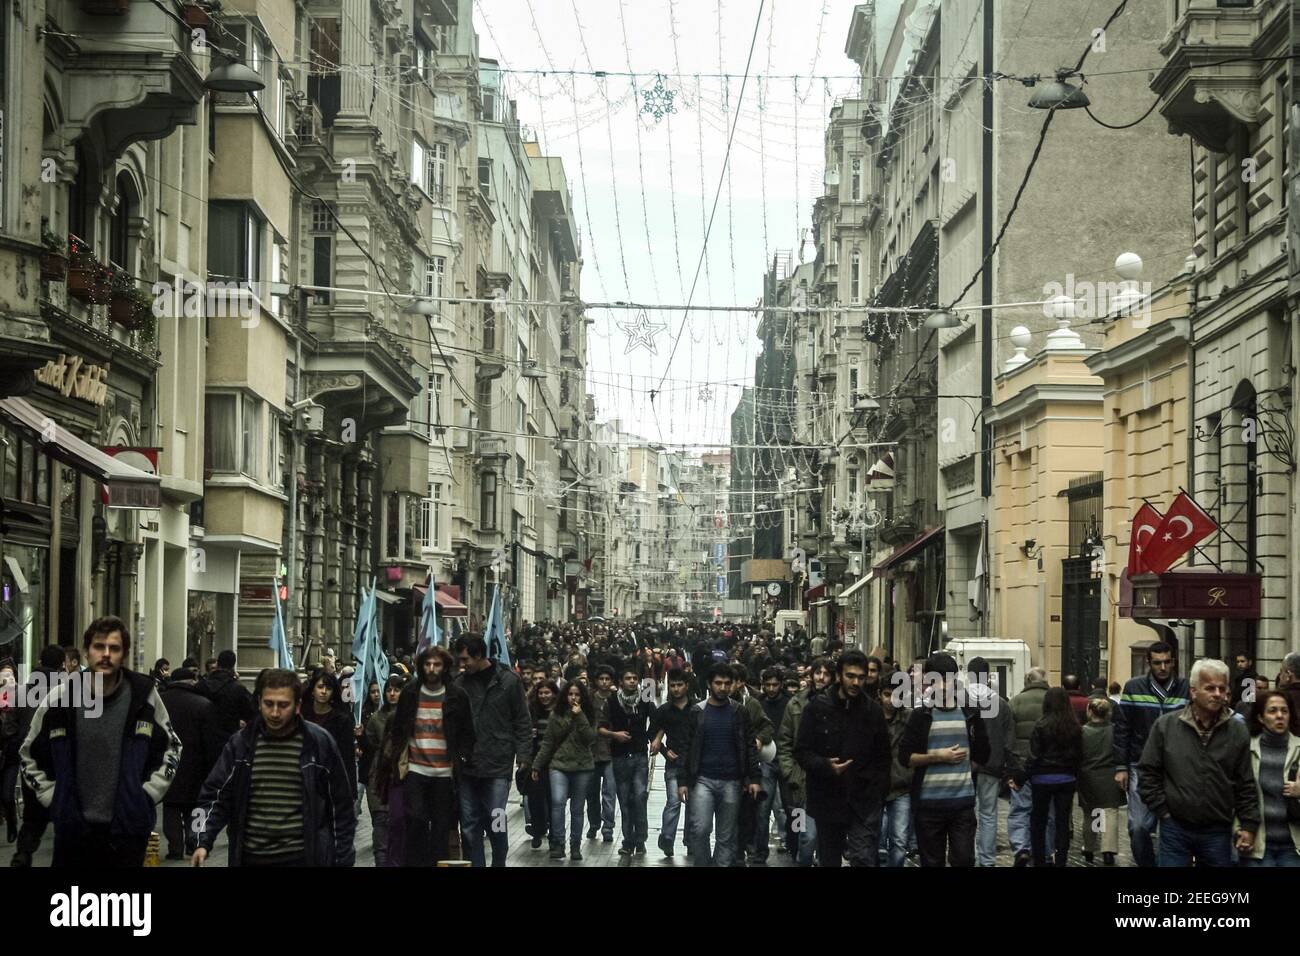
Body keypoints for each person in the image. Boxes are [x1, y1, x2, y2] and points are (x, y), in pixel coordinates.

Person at [20, 617, 182, 867]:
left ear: (124, 654)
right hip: (73, 835)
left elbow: (173, 746)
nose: (106, 654)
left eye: (114, 648)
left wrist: (147, 795)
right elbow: (28, 752)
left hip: (126, 834)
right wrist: (53, 797)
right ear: (86, 652)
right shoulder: (62, 698)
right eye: (98, 646)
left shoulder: (143, 696)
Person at [192, 668, 356, 867]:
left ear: (297, 706)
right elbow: (212, 796)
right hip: (251, 857)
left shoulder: (319, 744)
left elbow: (341, 808)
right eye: (269, 704)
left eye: (283, 705)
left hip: (302, 858)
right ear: (259, 702)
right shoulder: (241, 744)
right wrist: (202, 841)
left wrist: (342, 858)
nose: (275, 712)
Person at [1137, 658, 1257, 867]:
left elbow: (1245, 781)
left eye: (1222, 688)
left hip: (1217, 828)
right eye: (1210, 688)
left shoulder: (1237, 730)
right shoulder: (1167, 726)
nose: (1217, 694)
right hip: (1176, 826)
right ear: (1194, 692)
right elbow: (1148, 771)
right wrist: (1163, 810)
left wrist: (1248, 824)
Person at [375, 646, 473, 867]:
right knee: (415, 821)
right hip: (416, 769)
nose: (431, 669)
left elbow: (468, 732)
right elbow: (398, 727)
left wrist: (462, 758)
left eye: (436, 664)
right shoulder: (410, 693)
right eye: (427, 664)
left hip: (444, 772)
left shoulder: (457, 695)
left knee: (441, 826)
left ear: (445, 667)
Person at [794, 650, 891, 867]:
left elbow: (884, 756)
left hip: (865, 801)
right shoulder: (817, 708)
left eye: (861, 677)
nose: (856, 682)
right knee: (829, 859)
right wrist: (825, 766)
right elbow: (801, 751)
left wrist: (879, 794)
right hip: (827, 799)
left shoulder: (872, 711)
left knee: (863, 858)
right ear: (839, 675)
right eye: (850, 676)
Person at [897, 653, 991, 868]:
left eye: (947, 679)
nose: (943, 685)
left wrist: (967, 771)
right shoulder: (921, 716)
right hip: (929, 804)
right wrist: (937, 757)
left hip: (962, 804)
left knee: (964, 858)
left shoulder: (970, 713)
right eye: (937, 680)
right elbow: (905, 757)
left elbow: (983, 754)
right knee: (932, 861)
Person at [454, 634, 532, 867]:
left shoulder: (508, 681)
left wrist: (524, 757)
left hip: (497, 765)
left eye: (465, 659)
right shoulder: (458, 684)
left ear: (479, 655)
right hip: (467, 766)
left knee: (496, 820)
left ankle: (499, 861)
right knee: (468, 823)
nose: (462, 664)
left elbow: (522, 720)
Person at [1114, 641, 1190, 867]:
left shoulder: (1186, 688)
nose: (1163, 667)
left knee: (1173, 826)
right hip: (1141, 765)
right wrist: (1120, 767)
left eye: (1167, 662)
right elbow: (1122, 729)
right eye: (1157, 663)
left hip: (1177, 769)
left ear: (1173, 662)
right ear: (1149, 663)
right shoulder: (1133, 687)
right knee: (1138, 827)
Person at [679, 663, 761, 867]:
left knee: (727, 835)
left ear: (733, 685)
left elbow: (749, 745)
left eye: (727, 683)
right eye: (718, 683)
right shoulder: (697, 711)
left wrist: (754, 778)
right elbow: (686, 748)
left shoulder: (739, 712)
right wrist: (682, 780)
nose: (722, 688)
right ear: (709, 684)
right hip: (703, 780)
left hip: (731, 781)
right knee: (700, 829)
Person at [159, 667, 226, 860]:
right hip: (196, 765)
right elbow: (211, 740)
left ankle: (175, 848)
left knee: (170, 807)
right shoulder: (203, 704)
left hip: (169, 762)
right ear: (192, 681)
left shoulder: (162, 701)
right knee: (195, 808)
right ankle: (194, 843)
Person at [8, 644, 66, 866]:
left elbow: (10, 725)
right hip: (60, 757)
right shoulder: (70, 689)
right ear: (62, 664)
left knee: (33, 814)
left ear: (40, 662)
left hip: (30, 756)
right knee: (65, 812)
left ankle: (23, 852)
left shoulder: (23, 690)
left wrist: (16, 744)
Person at [532, 680, 597, 861]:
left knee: (577, 808)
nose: (573, 698)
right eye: (570, 694)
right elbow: (548, 742)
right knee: (558, 801)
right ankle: (558, 843)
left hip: (582, 766)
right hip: (559, 765)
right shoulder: (556, 715)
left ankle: (575, 845)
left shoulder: (589, 715)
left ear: (582, 697)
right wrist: (537, 765)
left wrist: (581, 716)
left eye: (577, 695)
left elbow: (590, 738)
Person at [776, 656, 831, 867]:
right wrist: (790, 772)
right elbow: (785, 741)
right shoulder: (796, 703)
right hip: (801, 782)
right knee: (803, 835)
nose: (821, 678)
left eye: (826, 674)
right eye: (818, 673)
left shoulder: (840, 703)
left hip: (829, 780)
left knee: (825, 838)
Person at [1021, 687, 1083, 867]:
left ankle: (1039, 859)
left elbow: (1033, 756)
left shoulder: (1041, 725)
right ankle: (1061, 860)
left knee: (1038, 821)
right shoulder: (1074, 726)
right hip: (1066, 779)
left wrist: (1023, 776)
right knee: (1062, 822)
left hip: (1042, 779)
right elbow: (1079, 755)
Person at [966, 657, 1018, 867]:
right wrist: (1008, 767)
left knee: (966, 817)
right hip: (992, 766)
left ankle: (969, 856)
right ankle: (987, 860)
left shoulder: (961, 700)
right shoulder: (1001, 704)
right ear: (988, 676)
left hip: (965, 767)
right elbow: (1009, 741)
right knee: (988, 814)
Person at [1240, 688, 1300, 866]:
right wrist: (1239, 831)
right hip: (1258, 844)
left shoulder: (1298, 748)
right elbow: (1238, 795)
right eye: (1272, 711)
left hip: (1293, 844)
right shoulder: (1248, 749)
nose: (1280, 716)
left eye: (1284, 711)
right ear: (1260, 718)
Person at [603, 665, 654, 856]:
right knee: (624, 801)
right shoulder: (611, 701)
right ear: (621, 682)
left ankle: (640, 839)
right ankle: (627, 841)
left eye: (634, 678)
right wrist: (614, 734)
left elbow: (656, 720)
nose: (632, 681)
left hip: (640, 754)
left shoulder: (645, 698)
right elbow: (600, 727)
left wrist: (652, 738)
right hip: (619, 756)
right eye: (628, 678)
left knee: (639, 797)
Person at [1008, 667, 1051, 866]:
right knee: (1047, 811)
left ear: (1027, 680)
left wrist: (1012, 764)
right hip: (1048, 766)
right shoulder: (1053, 701)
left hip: (1022, 765)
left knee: (1020, 809)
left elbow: (1009, 737)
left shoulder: (1015, 701)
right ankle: (1046, 849)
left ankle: (1021, 848)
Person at [650, 667, 695, 857]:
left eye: (679, 685)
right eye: (673, 685)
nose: (676, 689)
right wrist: (663, 750)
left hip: (694, 762)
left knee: (693, 803)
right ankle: (667, 838)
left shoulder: (697, 708)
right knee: (674, 801)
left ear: (687, 686)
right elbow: (652, 733)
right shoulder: (664, 710)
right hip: (673, 762)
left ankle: (691, 840)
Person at [361, 674, 405, 866]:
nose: (392, 694)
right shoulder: (376, 719)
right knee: (380, 827)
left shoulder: (409, 717)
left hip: (402, 777)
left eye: (396, 690)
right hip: (379, 777)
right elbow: (368, 748)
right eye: (389, 690)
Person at [752, 666, 790, 862]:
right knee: (763, 809)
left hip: (787, 760)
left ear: (781, 684)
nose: (771, 688)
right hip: (766, 761)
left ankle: (794, 843)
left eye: (775, 685)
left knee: (792, 808)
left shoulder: (790, 704)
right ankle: (760, 851)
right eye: (768, 685)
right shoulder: (758, 703)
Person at [1078, 697, 1121, 865]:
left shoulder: (1083, 732)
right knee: (1110, 813)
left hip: (1088, 777)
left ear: (1089, 712)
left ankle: (1089, 847)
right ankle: (1108, 850)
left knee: (1091, 814)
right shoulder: (1114, 731)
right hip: (1110, 776)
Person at [300, 670, 358, 797]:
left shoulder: (341, 720)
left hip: (331, 780)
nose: (324, 691)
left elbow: (347, 756)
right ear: (312, 690)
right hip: (304, 778)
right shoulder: (301, 717)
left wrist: (350, 790)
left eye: (328, 688)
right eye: (320, 687)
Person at [878, 678, 912, 866]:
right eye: (887, 694)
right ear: (880, 694)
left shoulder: (910, 718)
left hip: (902, 787)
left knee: (899, 840)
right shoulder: (871, 717)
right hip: (876, 785)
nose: (891, 700)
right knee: (878, 839)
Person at [524, 679, 558, 850]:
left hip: (556, 762)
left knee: (554, 800)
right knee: (535, 798)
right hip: (536, 761)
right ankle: (538, 830)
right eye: (541, 693)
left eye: (547, 692)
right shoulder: (532, 711)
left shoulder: (560, 712)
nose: (544, 696)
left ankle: (554, 834)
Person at [585, 665, 617, 841]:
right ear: (596, 681)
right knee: (591, 792)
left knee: (609, 792)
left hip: (611, 751)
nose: (604, 682)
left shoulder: (616, 699)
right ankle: (594, 823)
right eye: (601, 679)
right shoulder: (589, 700)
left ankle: (608, 827)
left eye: (607, 679)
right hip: (591, 751)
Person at [200, 650, 256, 737]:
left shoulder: (202, 685)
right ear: (233, 665)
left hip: (204, 737)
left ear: (218, 664)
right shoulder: (238, 688)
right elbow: (252, 712)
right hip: (229, 736)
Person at [0, 659, 20, 844]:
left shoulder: (21, 698)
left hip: (12, 753)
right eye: (5, 675)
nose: (9, 679)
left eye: (11, 675)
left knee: (7, 794)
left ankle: (12, 822)